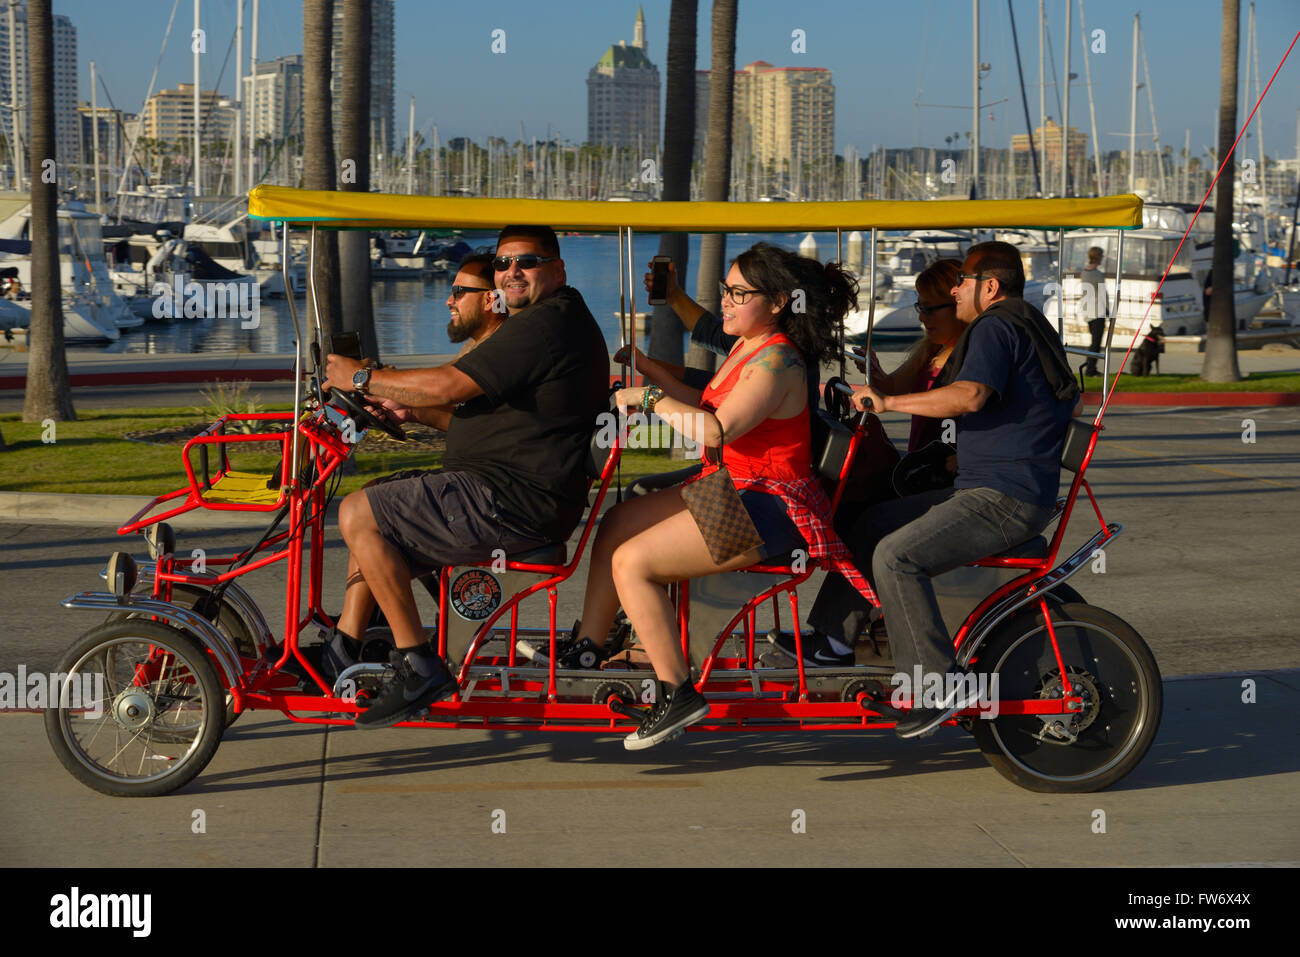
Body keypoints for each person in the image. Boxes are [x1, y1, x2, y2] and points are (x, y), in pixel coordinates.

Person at [559, 243, 880, 750]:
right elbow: (704, 401)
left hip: (771, 511)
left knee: (632, 562)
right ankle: (587, 649)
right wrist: (647, 376)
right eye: (725, 291)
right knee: (620, 521)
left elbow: (715, 430)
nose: (725, 302)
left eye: (737, 293)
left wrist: (646, 398)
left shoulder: (778, 361)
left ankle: (676, 692)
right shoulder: (748, 347)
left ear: (776, 302)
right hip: (736, 491)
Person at [319, 225, 610, 729]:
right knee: (377, 498)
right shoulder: (545, 321)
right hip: (508, 488)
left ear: (557, 269)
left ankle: (418, 667)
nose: (511, 271)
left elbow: (448, 384)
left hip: (512, 501)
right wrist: (406, 410)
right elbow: (474, 414)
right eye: (503, 263)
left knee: (359, 513)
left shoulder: (546, 325)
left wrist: (359, 377)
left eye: (527, 261)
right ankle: (346, 645)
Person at [801, 241, 1082, 739]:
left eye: (963, 282)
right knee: (872, 523)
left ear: (989, 287)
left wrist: (886, 402)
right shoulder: (1030, 323)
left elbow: (969, 396)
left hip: (1003, 498)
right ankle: (833, 640)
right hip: (999, 488)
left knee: (895, 557)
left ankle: (940, 683)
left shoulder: (996, 326)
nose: (955, 290)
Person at [770, 258, 966, 667]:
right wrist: (875, 376)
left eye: (931, 308)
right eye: (919, 307)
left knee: (871, 524)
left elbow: (970, 411)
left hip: (939, 480)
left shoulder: (968, 360)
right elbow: (896, 387)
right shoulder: (932, 353)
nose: (923, 316)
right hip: (916, 473)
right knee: (851, 509)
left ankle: (835, 640)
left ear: (958, 303)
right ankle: (854, 623)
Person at [1081, 246, 1109, 377]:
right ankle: (1091, 369)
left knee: (1094, 341)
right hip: (1098, 311)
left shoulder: (1084, 272)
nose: (1103, 258)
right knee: (1096, 343)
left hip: (1087, 311)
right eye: (1102, 256)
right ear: (1098, 257)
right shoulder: (1098, 274)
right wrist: (1109, 310)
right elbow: (1103, 293)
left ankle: (1089, 366)